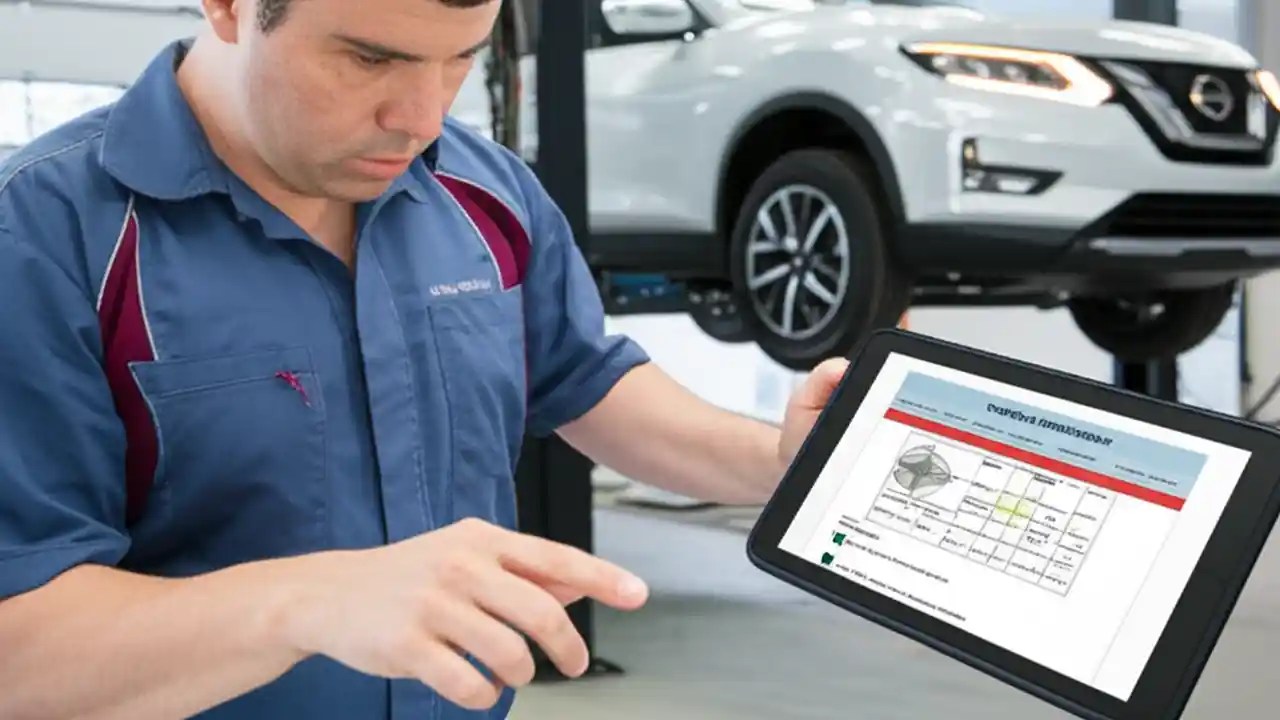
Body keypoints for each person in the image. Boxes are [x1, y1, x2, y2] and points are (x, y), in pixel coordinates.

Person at [0, 0, 850, 718]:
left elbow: (586, 379)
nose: (423, 119)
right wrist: (307, 602)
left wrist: (778, 463)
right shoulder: (46, 233)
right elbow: (20, 653)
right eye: (370, 59)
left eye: (461, 60)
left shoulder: (485, 192)